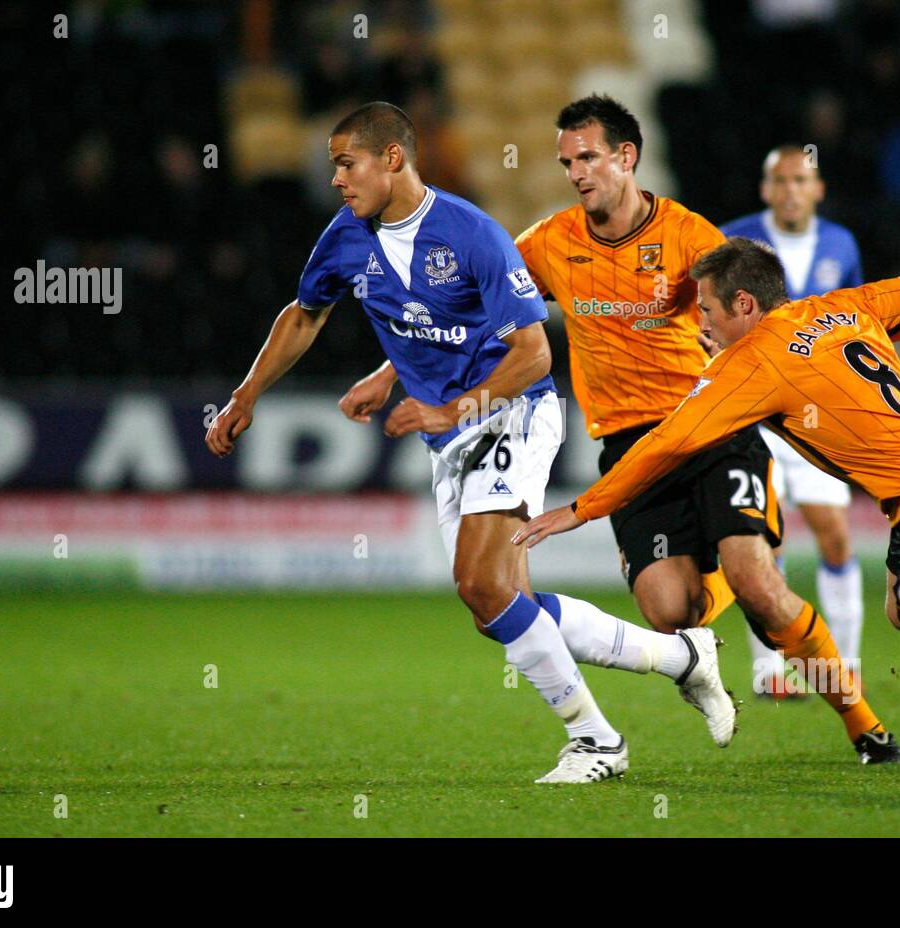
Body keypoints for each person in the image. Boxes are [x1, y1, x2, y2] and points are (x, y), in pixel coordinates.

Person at [206, 102, 736, 785]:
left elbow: (534, 355)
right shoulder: (345, 237)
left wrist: (450, 407)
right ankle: (682, 660)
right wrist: (248, 395)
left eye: (346, 164)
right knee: (497, 606)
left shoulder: (471, 235)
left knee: (480, 583)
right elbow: (305, 314)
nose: (336, 179)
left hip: (511, 412)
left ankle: (597, 741)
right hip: (451, 434)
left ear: (391, 159)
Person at [515, 239, 900, 779]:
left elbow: (669, 441)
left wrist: (583, 508)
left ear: (745, 306)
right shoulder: (838, 307)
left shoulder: (750, 363)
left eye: (705, 308)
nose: (697, 320)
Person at [513, 95, 900, 764]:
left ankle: (865, 725)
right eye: (566, 161)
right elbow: (486, 297)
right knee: (670, 610)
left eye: (588, 157)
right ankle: (702, 645)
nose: (575, 172)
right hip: (631, 447)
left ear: (626, 157)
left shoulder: (692, 238)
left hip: (711, 423)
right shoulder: (550, 244)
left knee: (758, 586)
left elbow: (761, 322)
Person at [721, 145, 865, 697]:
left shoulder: (840, 244)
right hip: (755, 413)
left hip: (818, 414)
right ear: (765, 189)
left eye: (800, 180)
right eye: (779, 180)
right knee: (762, 542)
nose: (789, 190)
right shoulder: (734, 239)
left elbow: (851, 318)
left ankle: (844, 665)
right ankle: (769, 670)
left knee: (834, 537)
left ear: (818, 189)